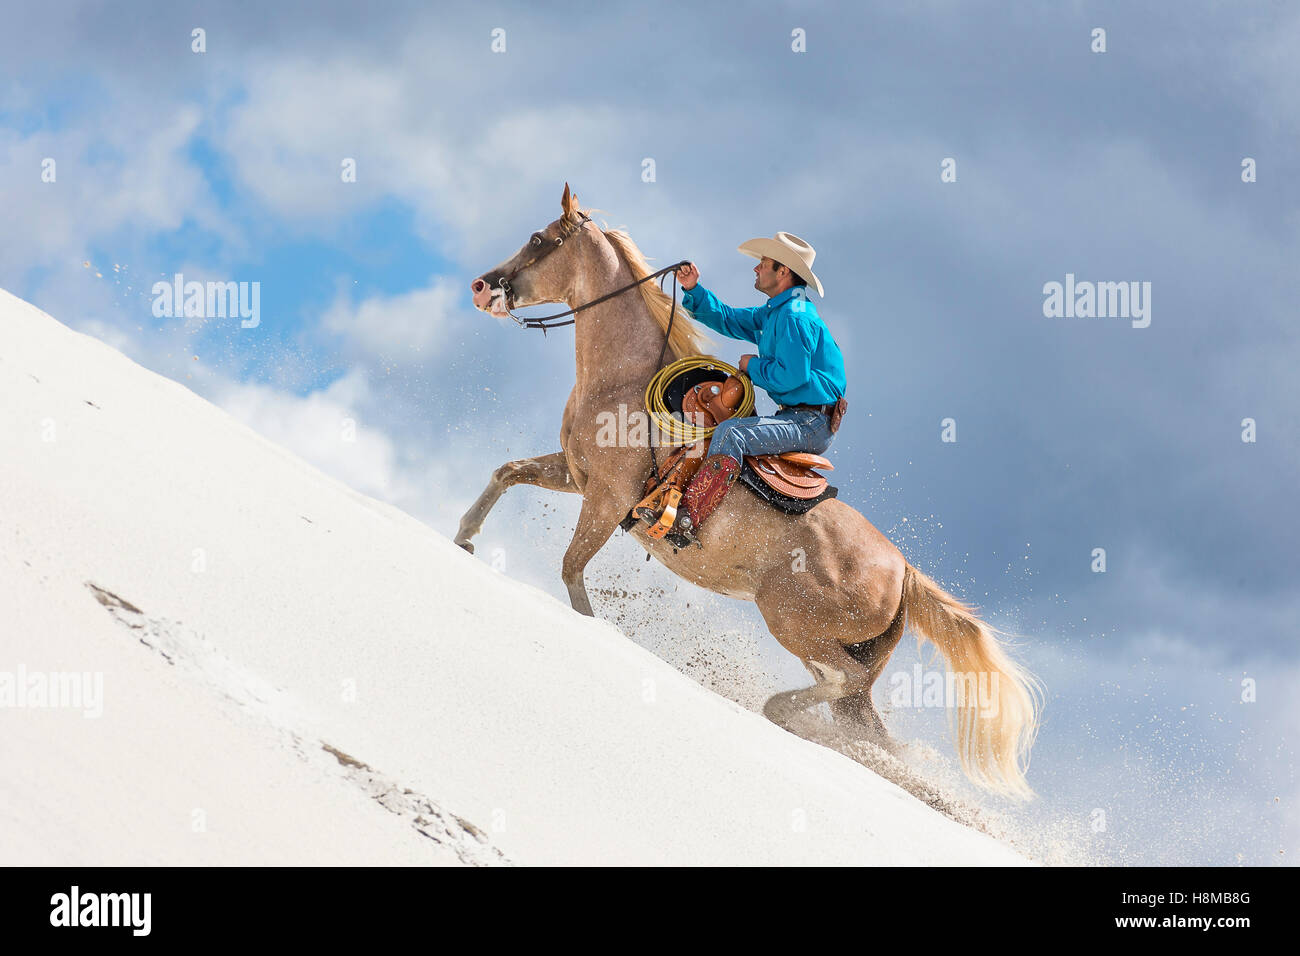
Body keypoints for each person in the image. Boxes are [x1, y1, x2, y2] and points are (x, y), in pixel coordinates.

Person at [671, 231, 847, 543]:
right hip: (801, 417)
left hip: (811, 423)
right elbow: (728, 319)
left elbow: (792, 376)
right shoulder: (775, 313)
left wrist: (751, 366)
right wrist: (693, 289)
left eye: (763, 263)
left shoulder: (794, 317)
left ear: (783, 272)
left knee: (732, 432)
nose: (756, 268)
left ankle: (689, 517)